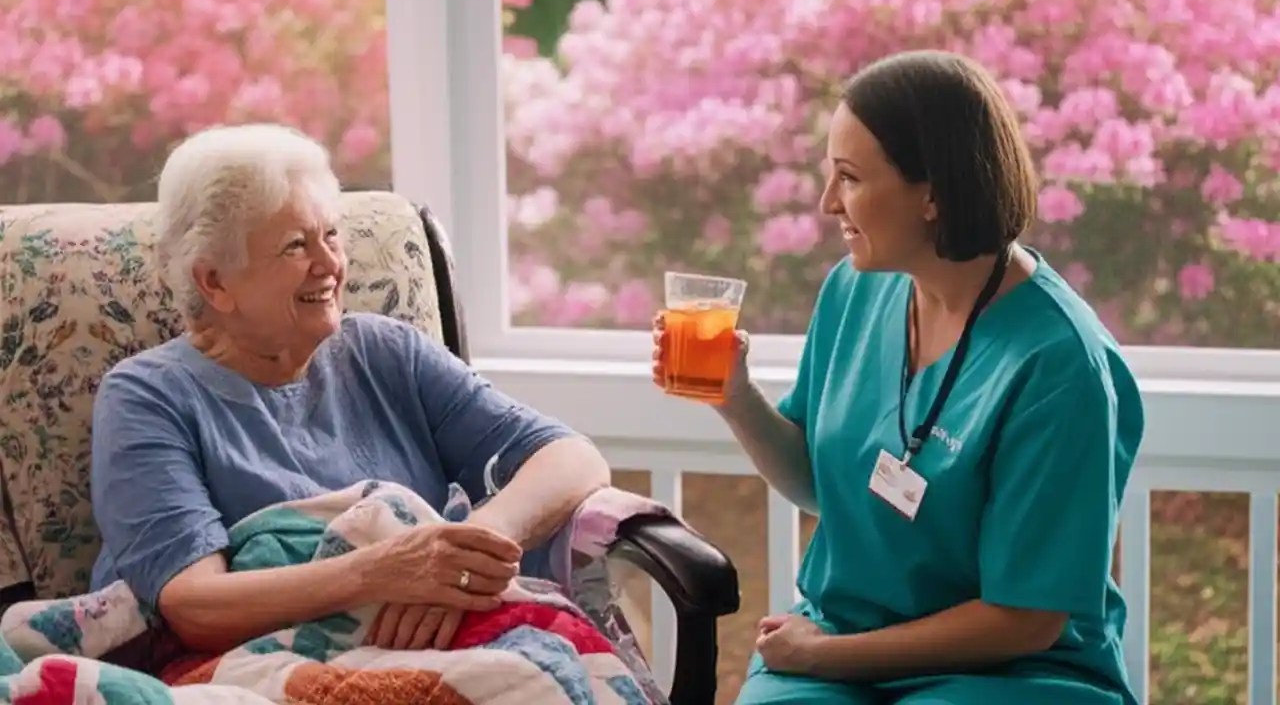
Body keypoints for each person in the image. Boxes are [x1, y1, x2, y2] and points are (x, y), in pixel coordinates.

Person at [653, 50, 1143, 704]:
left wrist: (826, 657)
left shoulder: (1059, 365)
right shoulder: (856, 290)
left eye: (850, 178)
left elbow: (1026, 620)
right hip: (844, 632)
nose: (828, 202)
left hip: (1008, 672)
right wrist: (734, 397)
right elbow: (816, 482)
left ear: (934, 193)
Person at [90, 123, 611, 655]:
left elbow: (571, 457)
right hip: (257, 670)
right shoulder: (146, 398)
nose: (330, 265)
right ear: (215, 282)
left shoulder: (386, 352)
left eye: (331, 235)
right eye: (296, 246)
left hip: (429, 650)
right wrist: (386, 572)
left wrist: (462, 558)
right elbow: (196, 606)